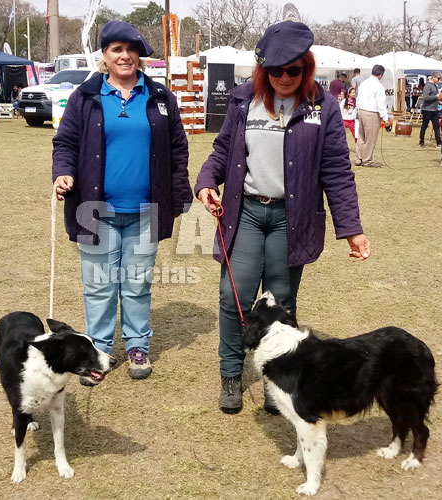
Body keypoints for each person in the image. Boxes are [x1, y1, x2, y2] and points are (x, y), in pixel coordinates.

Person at [194, 21, 371, 414]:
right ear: (263, 70)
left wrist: (352, 229)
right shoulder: (243, 101)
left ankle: (283, 374)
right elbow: (223, 151)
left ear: (306, 67)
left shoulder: (322, 107)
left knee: (282, 299)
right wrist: (207, 181)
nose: (286, 77)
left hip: (292, 219)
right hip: (246, 214)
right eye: (277, 71)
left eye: (294, 69)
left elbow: (337, 171)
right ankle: (231, 373)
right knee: (233, 296)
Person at [52, 20, 192, 382]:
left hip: (146, 210)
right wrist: (63, 172)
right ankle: (97, 350)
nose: (125, 55)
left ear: (140, 56)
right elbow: (65, 143)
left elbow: (178, 150)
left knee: (137, 282)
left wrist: (179, 196)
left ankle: (137, 346)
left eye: (131, 49)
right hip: (94, 209)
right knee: (99, 283)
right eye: (117, 49)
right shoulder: (86, 96)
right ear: (105, 55)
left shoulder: (160, 97)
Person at [355, 64, 389, 167]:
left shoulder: (363, 84)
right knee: (370, 138)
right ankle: (367, 160)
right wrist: (385, 118)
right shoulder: (378, 86)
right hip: (371, 113)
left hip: (361, 111)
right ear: (381, 75)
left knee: (361, 136)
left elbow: (358, 98)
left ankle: (359, 158)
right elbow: (381, 103)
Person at [418, 71, 442, 148]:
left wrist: (439, 102)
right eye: (438, 78)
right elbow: (426, 97)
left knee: (436, 126)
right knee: (424, 126)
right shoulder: (428, 86)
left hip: (434, 109)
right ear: (433, 77)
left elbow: (435, 96)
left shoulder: (435, 86)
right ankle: (421, 141)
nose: (439, 80)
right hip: (427, 110)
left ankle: (439, 142)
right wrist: (436, 96)